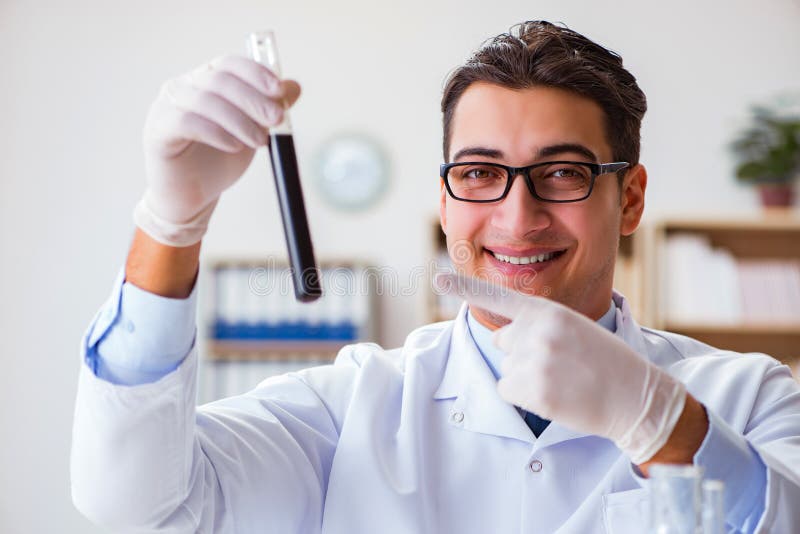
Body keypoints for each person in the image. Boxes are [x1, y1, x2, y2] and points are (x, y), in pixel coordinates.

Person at [71, 21, 800, 533]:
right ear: (447, 200)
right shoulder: (346, 409)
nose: (519, 219)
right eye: (480, 173)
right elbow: (134, 501)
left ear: (630, 198)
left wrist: (665, 428)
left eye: (562, 173)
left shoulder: (750, 398)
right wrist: (170, 222)